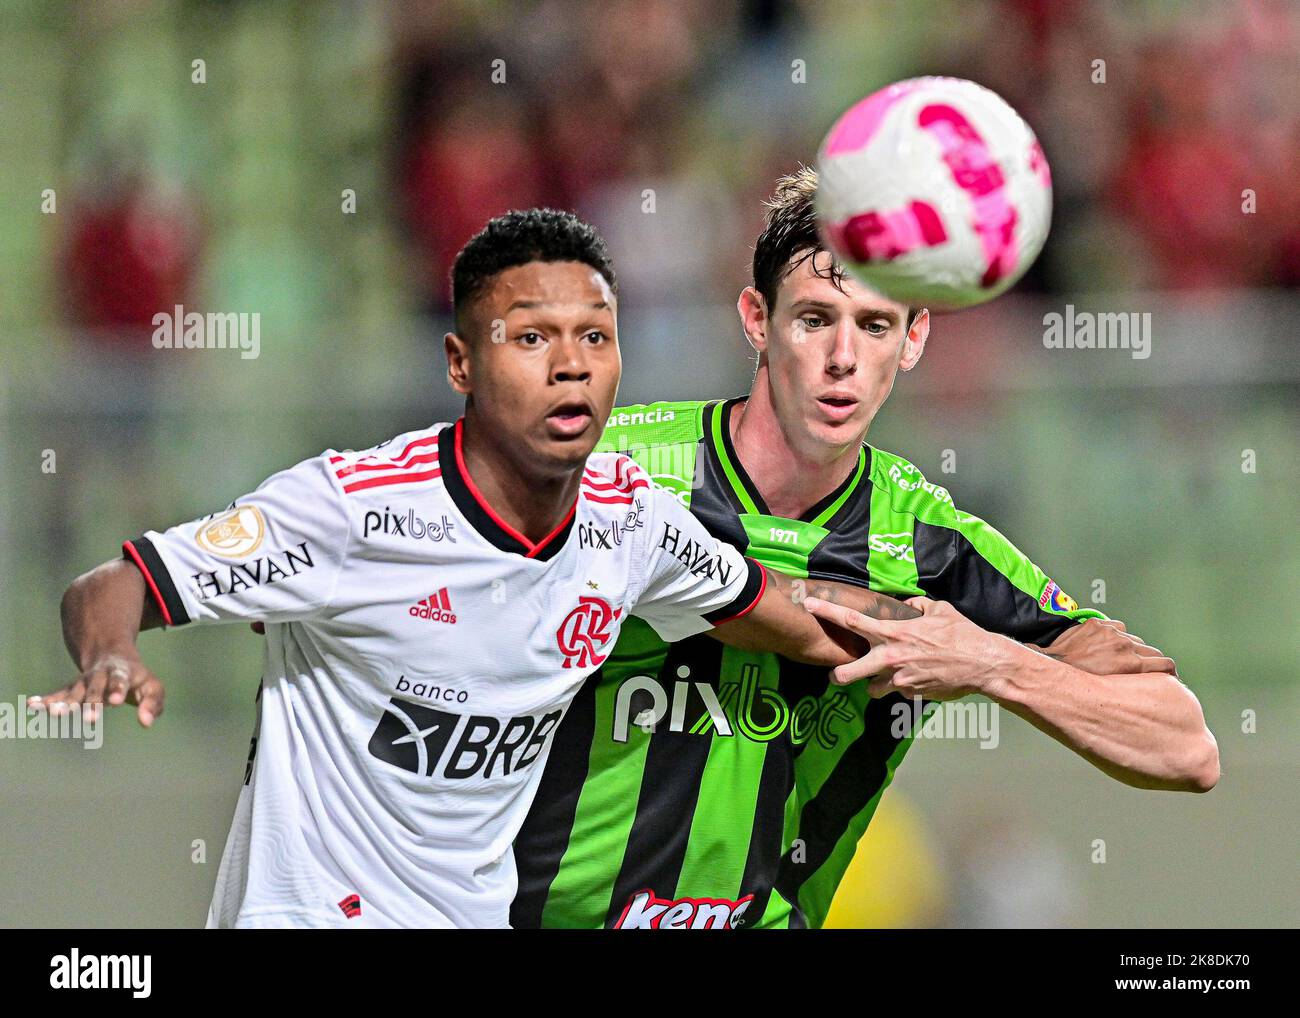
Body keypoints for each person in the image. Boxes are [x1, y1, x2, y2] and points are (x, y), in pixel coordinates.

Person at [33, 209, 911, 929]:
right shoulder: (352, 512)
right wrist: (110, 653)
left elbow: (778, 609)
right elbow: (114, 584)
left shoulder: (629, 521)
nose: (570, 365)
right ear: (462, 363)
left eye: (595, 338)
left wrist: (953, 646)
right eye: (531, 338)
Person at [510, 170, 1219, 930]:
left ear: (913, 338)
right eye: (815, 319)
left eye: (875, 326)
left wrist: (991, 664)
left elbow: (1186, 749)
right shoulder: (615, 470)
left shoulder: (933, 548)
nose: (842, 357)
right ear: (757, 319)